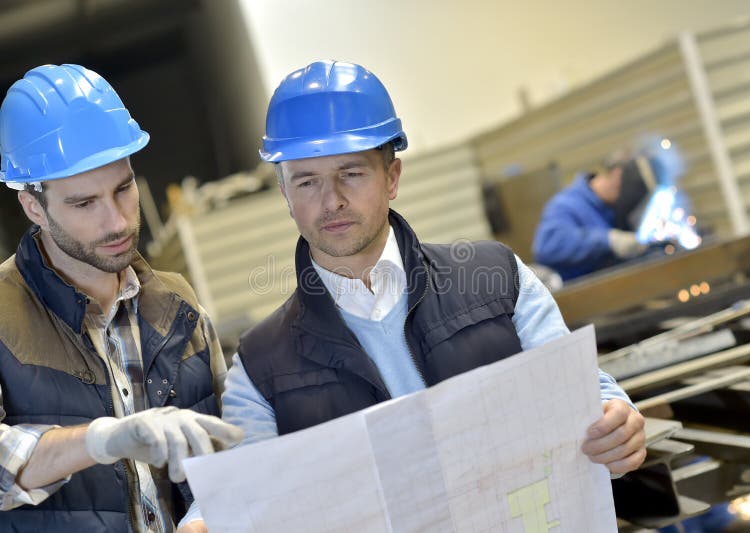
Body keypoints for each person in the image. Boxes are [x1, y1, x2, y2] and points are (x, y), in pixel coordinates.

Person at [180, 60, 646, 529]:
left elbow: (582, 393)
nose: (332, 199)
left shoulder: (498, 278)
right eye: (307, 181)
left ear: (392, 177)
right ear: (285, 194)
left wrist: (617, 420)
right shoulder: (261, 366)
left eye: (352, 173)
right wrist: (202, 521)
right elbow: (242, 493)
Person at [0, 64, 243, 532]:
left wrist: (205, 513)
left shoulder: (179, 304)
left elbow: (229, 454)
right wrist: (100, 441)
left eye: (123, 188)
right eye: (84, 203)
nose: (115, 221)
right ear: (33, 206)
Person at [533, 158, 649, 281]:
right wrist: (608, 240)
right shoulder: (565, 205)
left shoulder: (611, 211)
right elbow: (547, 247)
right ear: (617, 174)